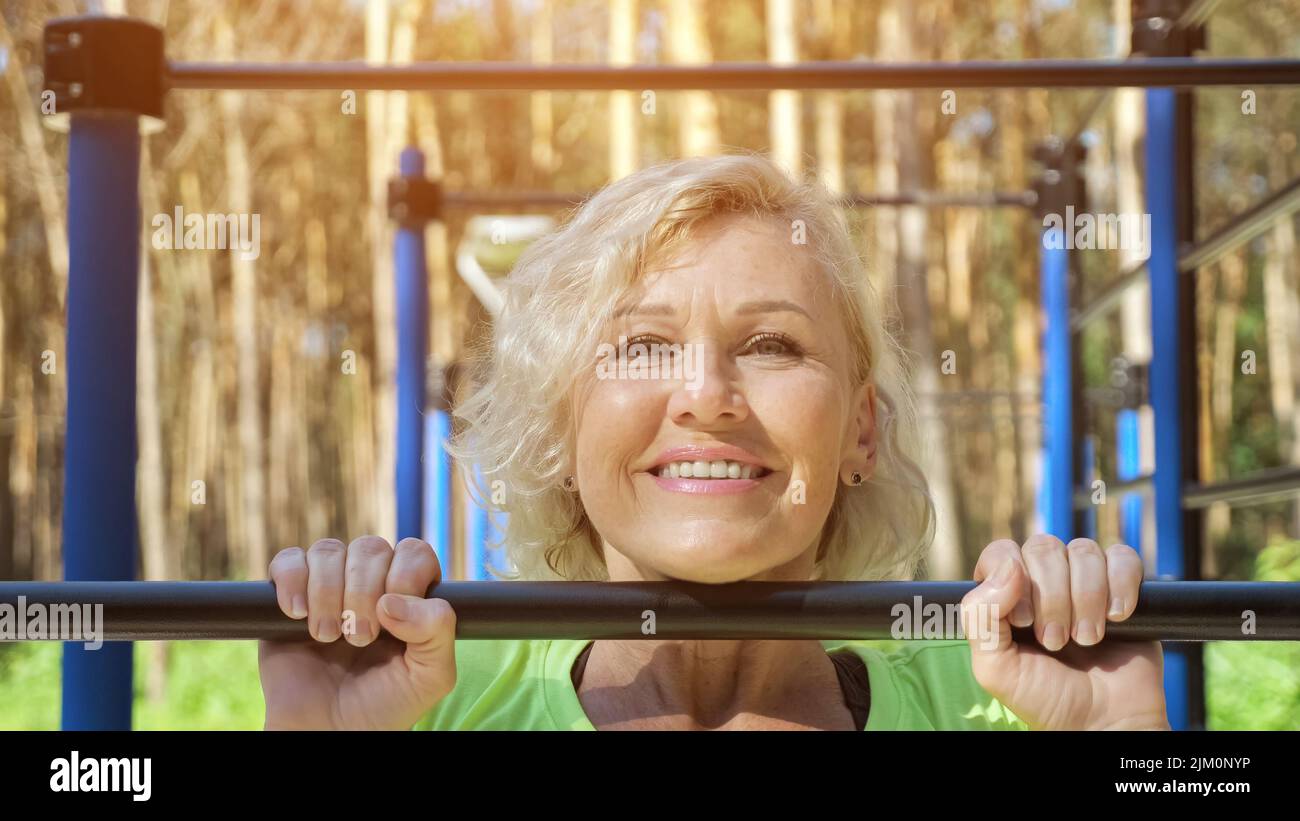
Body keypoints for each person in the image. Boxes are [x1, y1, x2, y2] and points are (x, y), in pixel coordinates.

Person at [259, 153, 1168, 731]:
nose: (706, 396)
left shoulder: (992, 704)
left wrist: (1117, 736)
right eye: (644, 345)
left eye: (770, 344)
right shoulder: (428, 704)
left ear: (859, 431)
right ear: (564, 424)